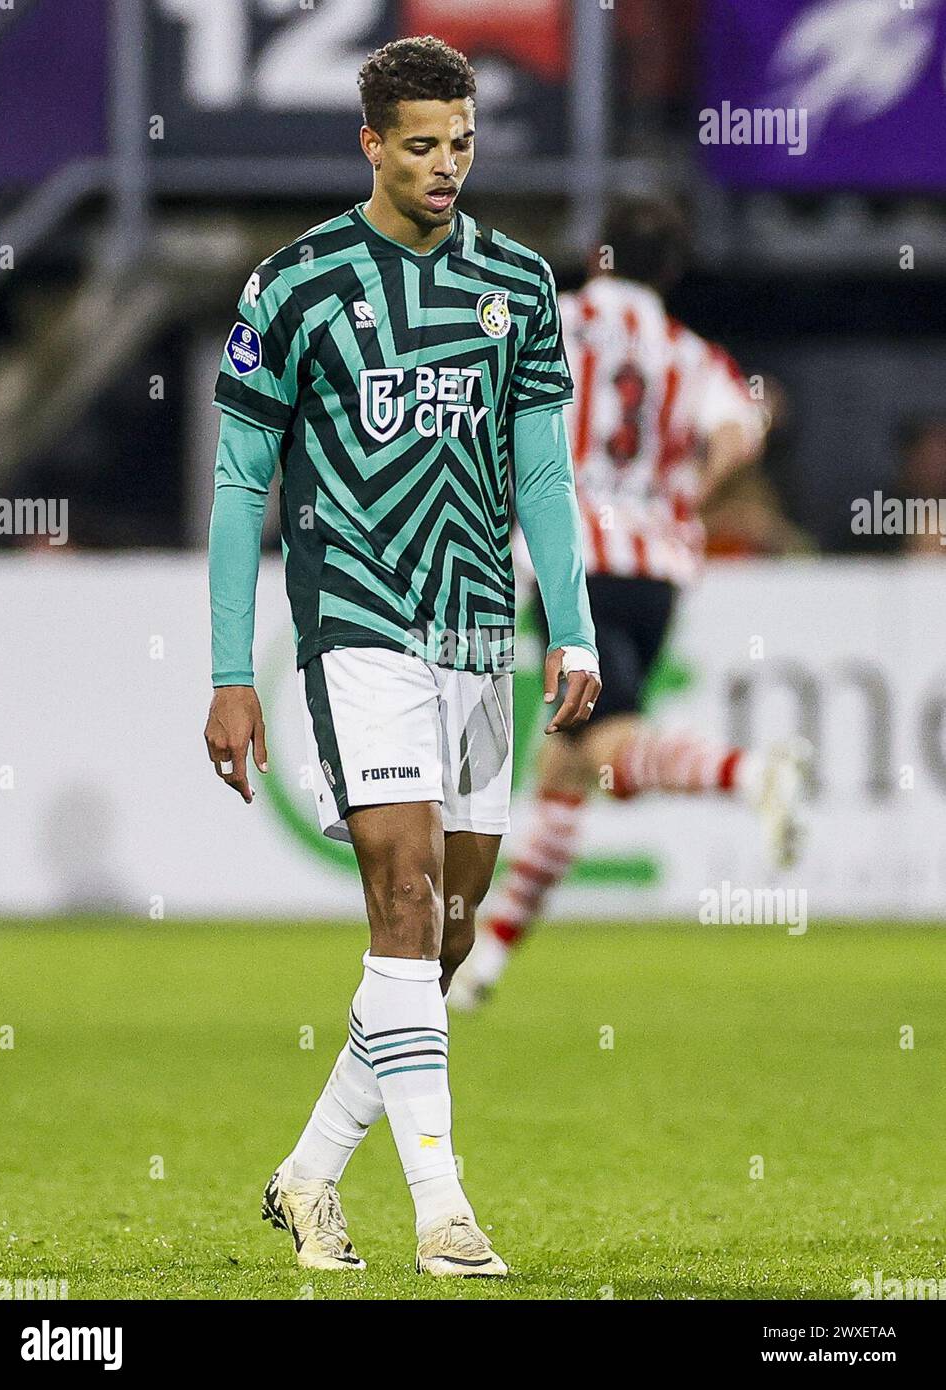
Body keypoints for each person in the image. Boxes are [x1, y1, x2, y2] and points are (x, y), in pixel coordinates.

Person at [203, 36, 600, 1278]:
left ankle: (310, 1174)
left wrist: (573, 623)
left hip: (481, 625)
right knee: (405, 891)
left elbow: (541, 470)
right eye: (421, 145)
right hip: (359, 619)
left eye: (463, 143)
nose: (446, 166)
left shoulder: (521, 287)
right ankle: (445, 1209)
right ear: (370, 143)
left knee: (448, 934)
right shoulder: (296, 285)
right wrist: (227, 670)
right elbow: (238, 482)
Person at [451, 199, 809, 1011]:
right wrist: (685, 489)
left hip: (575, 557)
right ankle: (487, 964)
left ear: (597, 254)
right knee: (568, 766)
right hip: (657, 569)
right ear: (670, 272)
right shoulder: (689, 351)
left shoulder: (555, 316)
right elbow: (741, 433)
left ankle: (749, 772)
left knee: (608, 747)